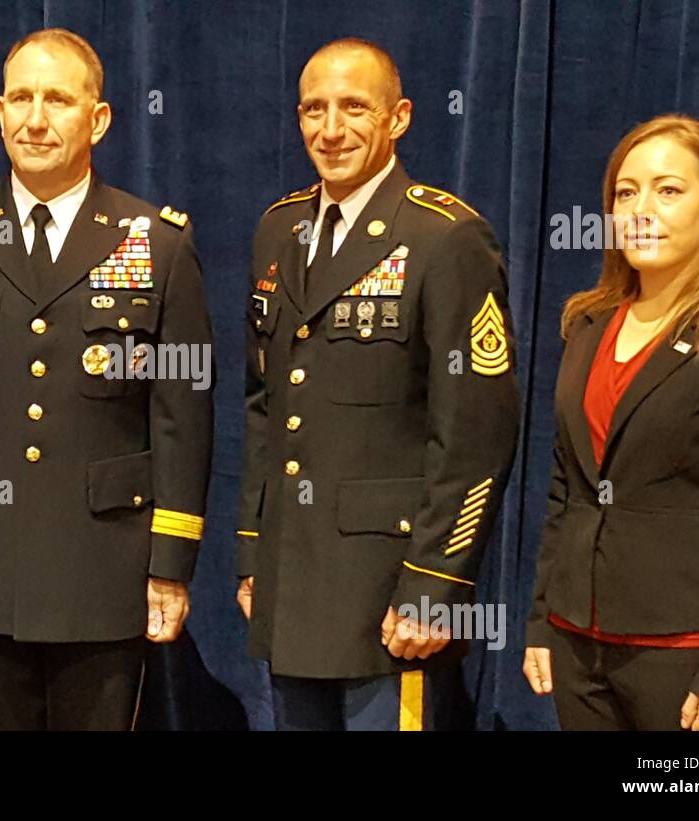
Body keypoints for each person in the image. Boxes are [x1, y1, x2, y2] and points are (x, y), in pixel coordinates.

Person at [0, 28, 213, 730]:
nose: (35, 119)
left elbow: (182, 420)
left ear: (98, 118)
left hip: (102, 571)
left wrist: (171, 563)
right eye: (21, 98)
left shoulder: (156, 242)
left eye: (58, 100)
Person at [235, 38, 520, 731]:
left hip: (390, 596)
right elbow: (265, 406)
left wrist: (434, 584)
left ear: (399, 117)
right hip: (291, 584)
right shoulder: (279, 228)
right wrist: (253, 553)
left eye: (354, 108)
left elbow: (475, 436)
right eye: (314, 109)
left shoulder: (445, 237)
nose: (330, 130)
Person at [524, 114, 699, 731]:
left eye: (668, 190)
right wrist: (544, 617)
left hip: (685, 653)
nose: (641, 210)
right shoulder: (587, 325)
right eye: (626, 193)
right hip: (577, 644)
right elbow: (565, 490)